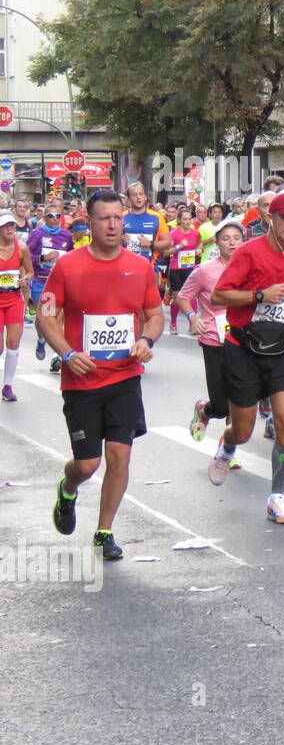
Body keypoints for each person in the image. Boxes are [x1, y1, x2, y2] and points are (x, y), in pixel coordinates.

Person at [38, 190, 164, 560]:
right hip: (81, 381)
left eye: (117, 218)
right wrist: (68, 353)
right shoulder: (68, 266)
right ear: (89, 222)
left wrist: (145, 338)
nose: (112, 225)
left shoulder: (140, 267)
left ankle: (104, 531)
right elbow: (46, 316)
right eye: (104, 218)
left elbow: (155, 315)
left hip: (125, 376)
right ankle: (68, 487)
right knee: (87, 464)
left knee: (120, 457)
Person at [208, 193, 284, 524]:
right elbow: (218, 295)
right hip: (244, 348)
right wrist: (258, 295)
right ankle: (227, 447)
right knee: (242, 430)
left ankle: (277, 498)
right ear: (270, 218)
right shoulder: (248, 252)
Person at [180, 217, 246, 455]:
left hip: (243, 340)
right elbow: (183, 296)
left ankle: (228, 451)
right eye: (226, 239)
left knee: (238, 400)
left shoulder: (249, 268)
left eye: (237, 238)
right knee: (220, 403)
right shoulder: (205, 271)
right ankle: (204, 411)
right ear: (216, 242)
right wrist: (193, 318)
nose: (232, 243)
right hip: (213, 340)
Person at [27, 204, 74, 369]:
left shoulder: (66, 235)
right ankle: (41, 339)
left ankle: (56, 355)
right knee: (43, 318)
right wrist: (43, 257)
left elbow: (71, 254)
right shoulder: (36, 234)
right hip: (40, 281)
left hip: (59, 282)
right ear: (44, 218)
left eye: (57, 216)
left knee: (56, 318)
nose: (54, 219)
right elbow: (26, 256)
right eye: (50, 216)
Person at [0, 210, 35, 402]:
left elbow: (30, 272)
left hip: (13, 300)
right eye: (5, 225)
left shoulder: (21, 248)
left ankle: (7, 386)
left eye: (12, 225)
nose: (9, 228)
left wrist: (24, 279)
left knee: (13, 344)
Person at [166, 207, 203, 335]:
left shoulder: (195, 233)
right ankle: (173, 324)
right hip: (176, 270)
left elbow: (200, 244)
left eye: (189, 219)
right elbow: (166, 252)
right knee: (178, 299)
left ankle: (192, 324)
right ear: (179, 220)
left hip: (190, 268)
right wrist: (179, 246)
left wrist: (199, 250)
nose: (187, 222)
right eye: (184, 219)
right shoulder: (174, 234)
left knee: (191, 296)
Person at [121, 181, 172, 274]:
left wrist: (151, 244)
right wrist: (121, 240)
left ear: (145, 197)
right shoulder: (121, 217)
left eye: (141, 194)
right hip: (126, 268)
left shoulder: (157, 217)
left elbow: (168, 243)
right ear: (128, 199)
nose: (138, 197)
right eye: (134, 195)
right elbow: (110, 241)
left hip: (151, 267)